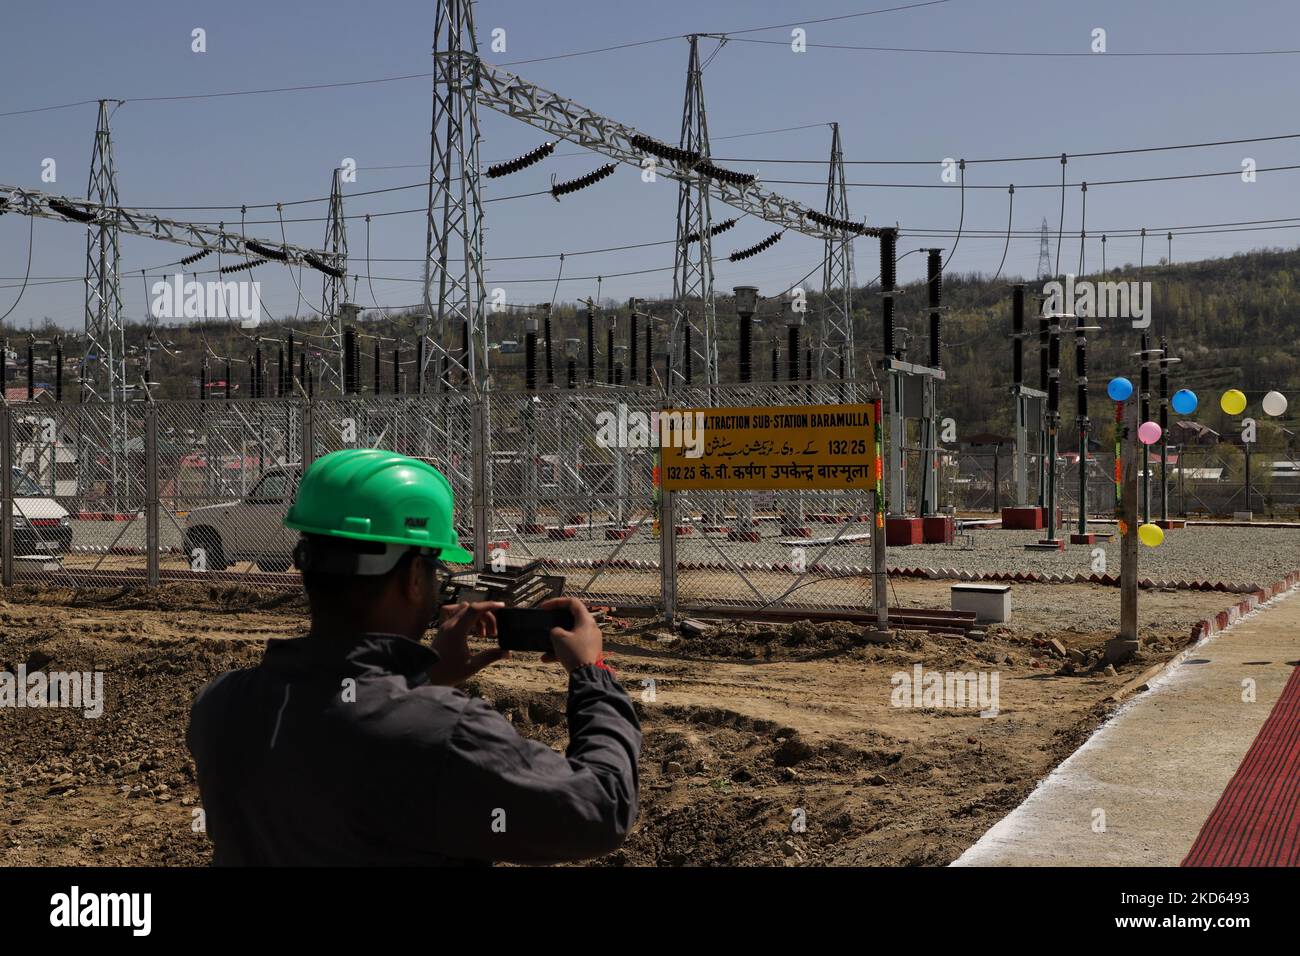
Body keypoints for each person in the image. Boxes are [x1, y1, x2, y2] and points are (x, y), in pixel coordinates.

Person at [186, 448, 641, 865]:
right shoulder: (449, 733)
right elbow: (601, 808)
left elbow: (341, 740)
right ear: (412, 579)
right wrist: (591, 673)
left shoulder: (222, 707)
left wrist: (419, 681)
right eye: (435, 568)